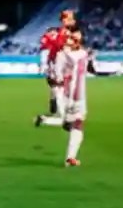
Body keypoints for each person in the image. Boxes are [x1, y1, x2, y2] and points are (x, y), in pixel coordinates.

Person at [34, 27, 89, 167]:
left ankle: (45, 120)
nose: (77, 41)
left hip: (68, 95)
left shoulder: (63, 55)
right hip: (74, 97)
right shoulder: (79, 55)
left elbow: (56, 77)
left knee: (71, 124)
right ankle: (70, 157)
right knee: (77, 124)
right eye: (74, 39)